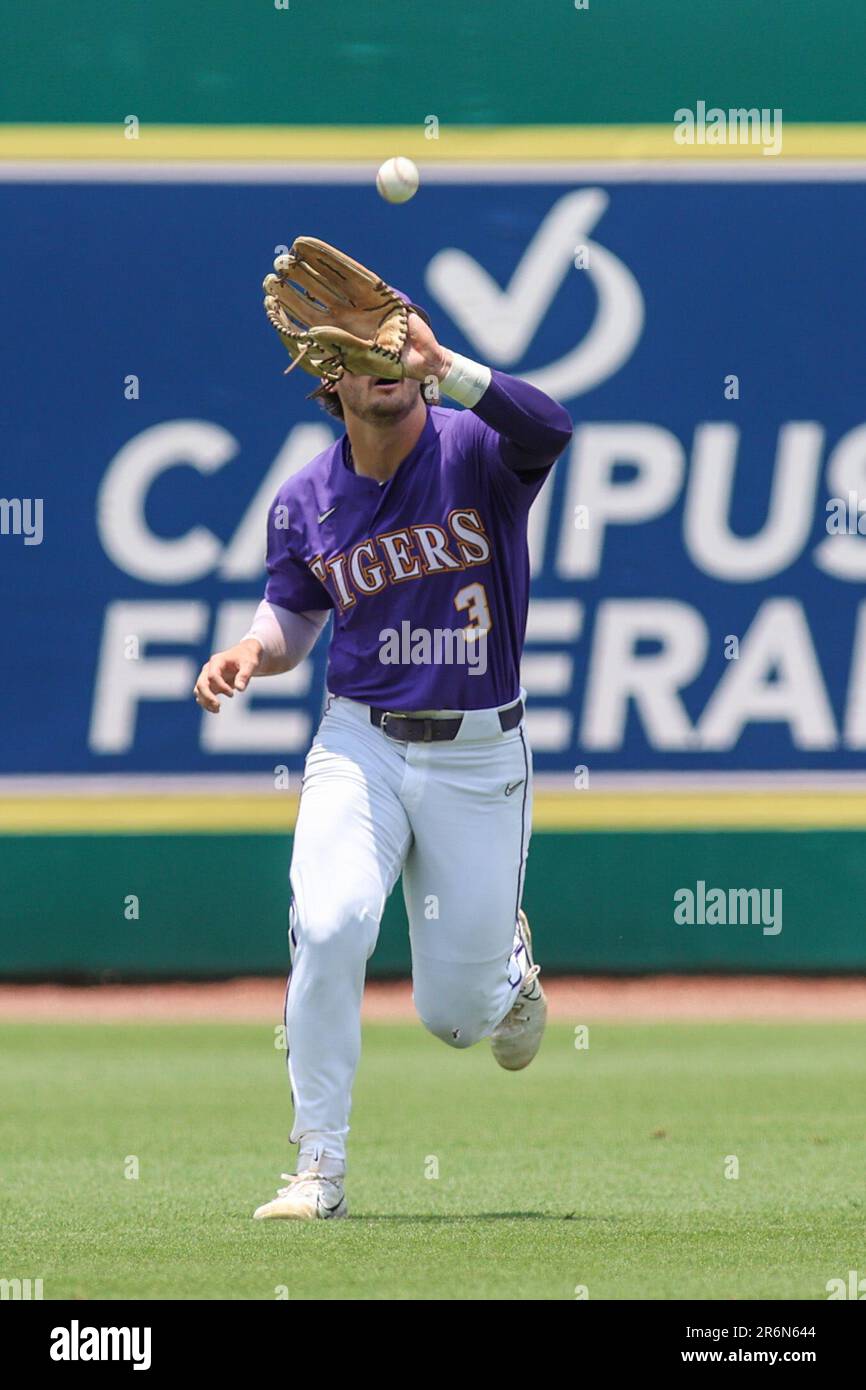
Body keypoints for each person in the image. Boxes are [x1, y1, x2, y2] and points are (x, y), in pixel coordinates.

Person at [194, 299, 573, 1220]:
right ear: (332, 378)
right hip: (359, 741)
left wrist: (453, 368)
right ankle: (318, 1166)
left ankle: (505, 977)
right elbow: (292, 616)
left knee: (456, 1019)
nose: (388, 360)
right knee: (329, 926)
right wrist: (251, 649)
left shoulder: (474, 451)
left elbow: (551, 427)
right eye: (364, 351)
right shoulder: (305, 498)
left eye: (397, 343)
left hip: (481, 757)